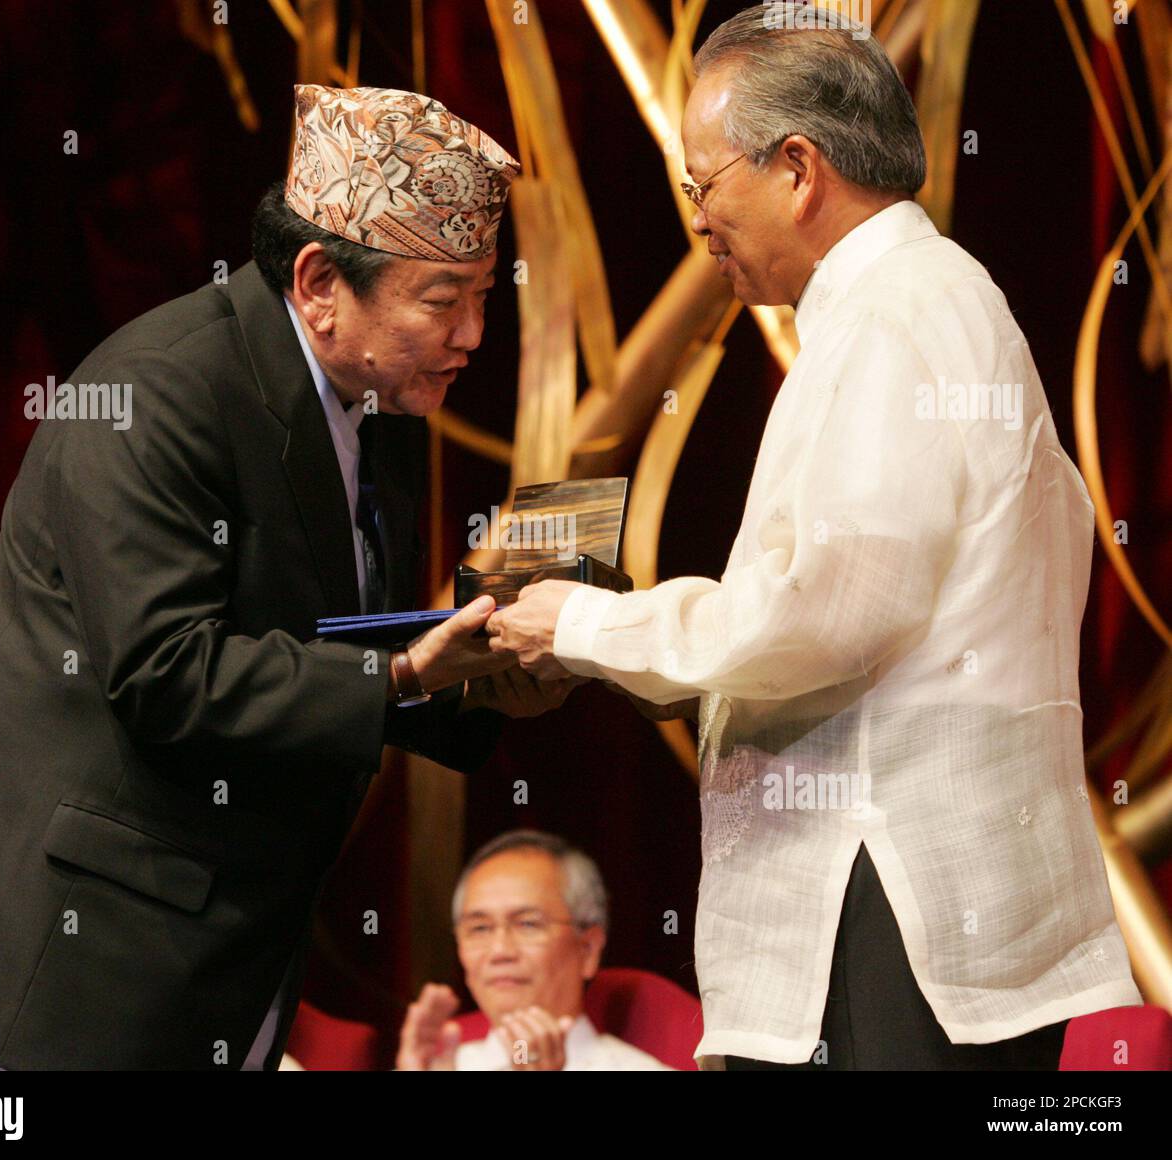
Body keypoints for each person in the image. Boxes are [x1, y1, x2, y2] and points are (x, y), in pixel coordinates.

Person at [485, 6, 1144, 1070]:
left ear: (797, 167)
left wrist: (587, 621)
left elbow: (821, 612)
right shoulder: (918, 303)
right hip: (903, 889)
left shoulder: (897, 315)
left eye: (703, 183)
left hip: (891, 895)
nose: (695, 217)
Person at [0, 84, 580, 1071]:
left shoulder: (379, 397)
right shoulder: (155, 394)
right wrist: (408, 677)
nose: (470, 336)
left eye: (482, 299)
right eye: (440, 301)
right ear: (321, 280)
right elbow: (169, 671)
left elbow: (333, 649)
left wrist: (490, 669)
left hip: (218, 967)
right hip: (54, 974)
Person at [393, 830, 671, 1070]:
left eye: (527, 924)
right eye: (479, 928)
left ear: (587, 949)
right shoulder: (435, 1066)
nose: (500, 951)